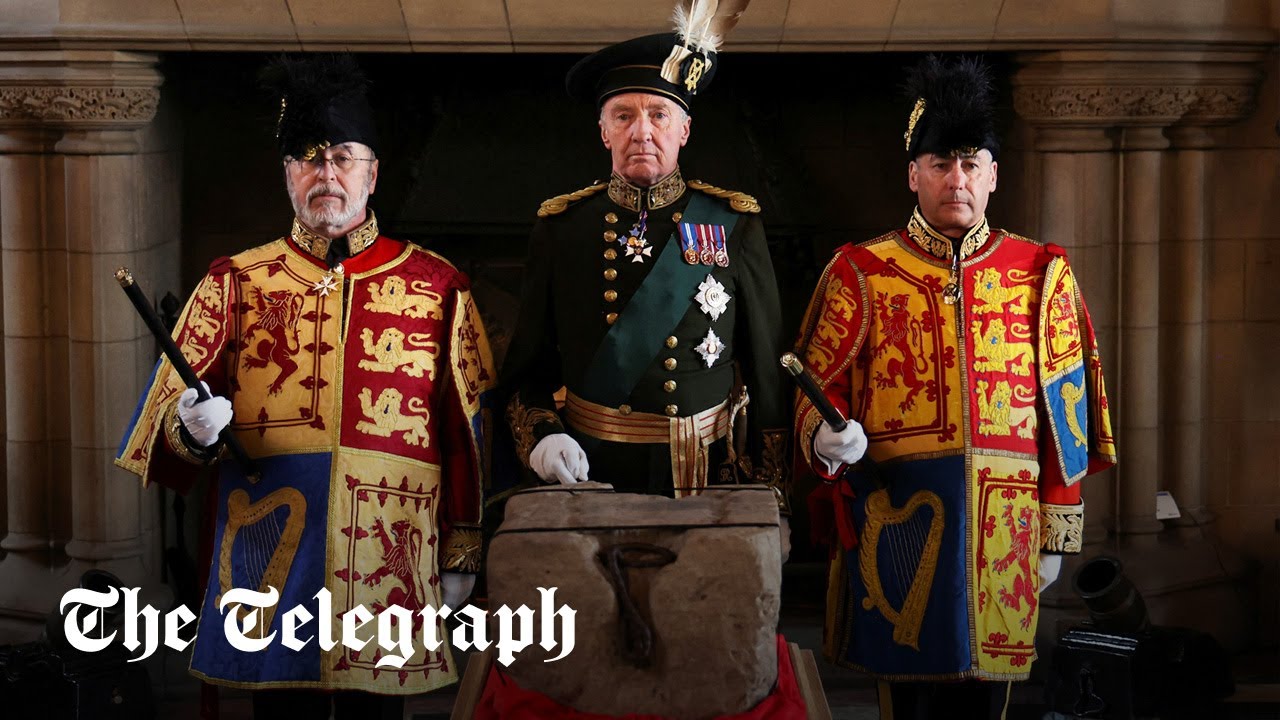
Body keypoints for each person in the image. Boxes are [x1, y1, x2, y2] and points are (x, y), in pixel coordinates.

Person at [115, 54, 495, 719]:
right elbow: (164, 438)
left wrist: (463, 547)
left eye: (344, 157)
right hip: (270, 540)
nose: (328, 174)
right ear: (287, 176)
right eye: (309, 159)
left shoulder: (439, 285)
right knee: (280, 711)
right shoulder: (233, 279)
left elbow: (468, 429)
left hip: (390, 547)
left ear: (373, 173)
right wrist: (193, 426)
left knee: (376, 712)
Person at [792, 55, 1117, 719]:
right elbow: (813, 385)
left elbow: (1067, 417)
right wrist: (824, 435)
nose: (956, 179)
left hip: (1007, 530)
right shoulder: (862, 271)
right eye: (940, 163)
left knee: (987, 702)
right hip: (895, 519)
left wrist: (1056, 529)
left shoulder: (1041, 272)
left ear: (994, 175)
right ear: (913, 174)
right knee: (904, 698)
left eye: (971, 163)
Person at [500, 30, 791, 511]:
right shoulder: (562, 228)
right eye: (623, 116)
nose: (642, 131)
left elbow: (767, 367)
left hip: (709, 472)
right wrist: (543, 437)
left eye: (659, 115)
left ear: (684, 130)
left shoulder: (736, 222)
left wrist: (770, 485)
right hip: (593, 468)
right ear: (603, 131)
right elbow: (527, 367)